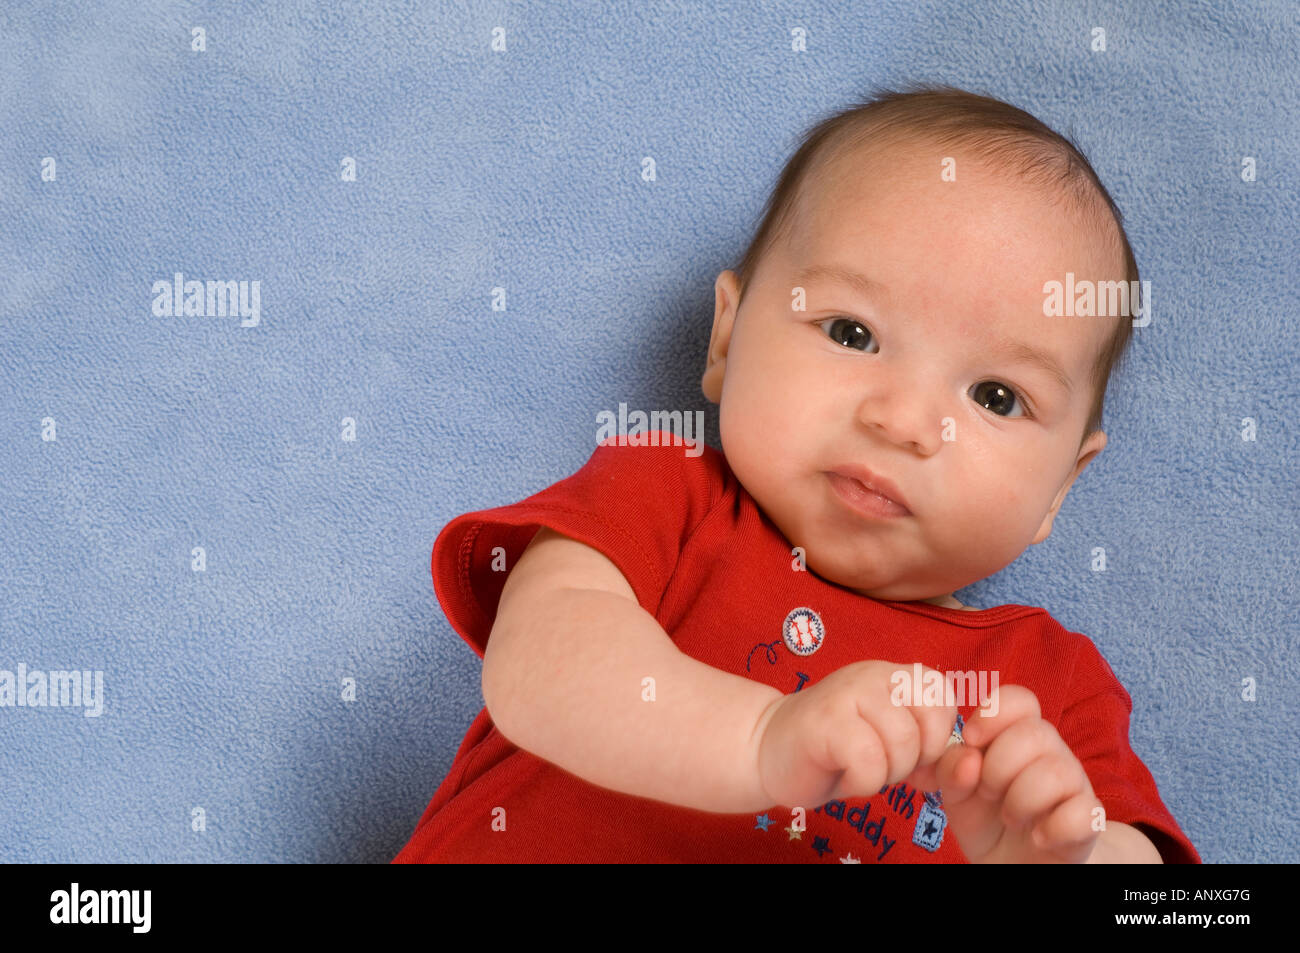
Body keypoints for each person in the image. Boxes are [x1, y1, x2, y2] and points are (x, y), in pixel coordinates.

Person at [393, 84, 1197, 863]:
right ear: (726, 340)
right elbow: (538, 665)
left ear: (1062, 485)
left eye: (997, 395)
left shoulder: (1049, 686)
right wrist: (760, 741)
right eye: (850, 332)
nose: (904, 422)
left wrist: (1069, 854)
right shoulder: (664, 495)